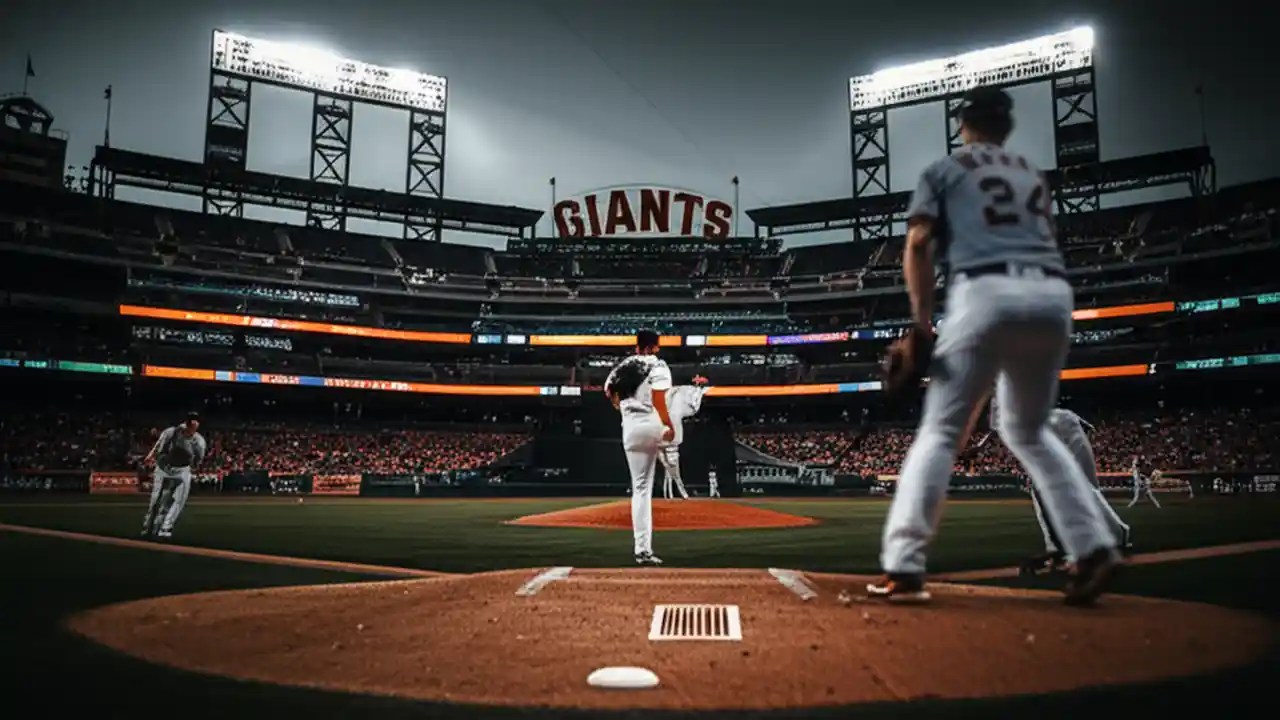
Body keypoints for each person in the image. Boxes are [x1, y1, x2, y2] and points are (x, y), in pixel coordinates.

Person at [867, 85, 1120, 606]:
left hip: (984, 290)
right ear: (1007, 127)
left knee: (939, 432)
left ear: (963, 124)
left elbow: (918, 243)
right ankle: (1092, 543)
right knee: (1028, 429)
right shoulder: (1030, 175)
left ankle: (904, 565)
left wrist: (920, 326)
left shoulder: (945, 169)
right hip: (1051, 298)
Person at [604, 330, 675, 565]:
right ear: (654, 346)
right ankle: (671, 458)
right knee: (675, 434)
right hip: (653, 426)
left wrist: (620, 408)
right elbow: (659, 400)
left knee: (640, 490)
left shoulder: (624, 365)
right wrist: (668, 425)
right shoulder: (659, 365)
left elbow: (608, 390)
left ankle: (642, 550)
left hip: (631, 429)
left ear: (637, 346)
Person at [141, 412, 207, 539]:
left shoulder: (199, 441)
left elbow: (199, 460)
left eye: (195, 422)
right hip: (164, 468)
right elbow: (159, 447)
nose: (192, 425)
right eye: (190, 421)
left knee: (178, 501)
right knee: (156, 501)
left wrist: (193, 465)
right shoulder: (171, 432)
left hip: (182, 470)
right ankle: (148, 526)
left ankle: (166, 527)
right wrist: (150, 457)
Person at [659, 375, 710, 500]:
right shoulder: (674, 395)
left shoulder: (676, 395)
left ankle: (673, 493)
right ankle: (674, 492)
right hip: (663, 431)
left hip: (665, 431)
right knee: (668, 465)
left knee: (670, 466)